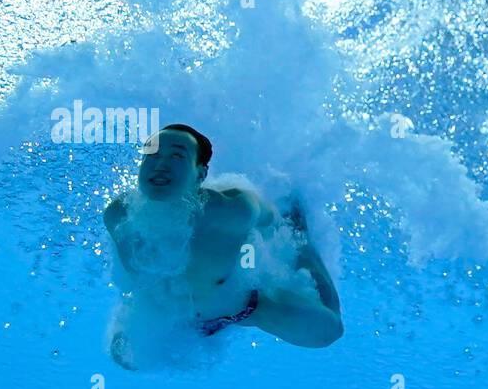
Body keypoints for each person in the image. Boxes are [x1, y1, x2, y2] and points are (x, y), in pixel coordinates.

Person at [102, 124, 342, 368]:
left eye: (176, 156)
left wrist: (295, 240)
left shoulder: (232, 211)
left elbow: (273, 222)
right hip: (171, 317)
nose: (161, 164)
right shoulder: (119, 217)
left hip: (241, 307)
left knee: (328, 330)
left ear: (200, 175)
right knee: (124, 358)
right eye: (151, 155)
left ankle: (307, 247)